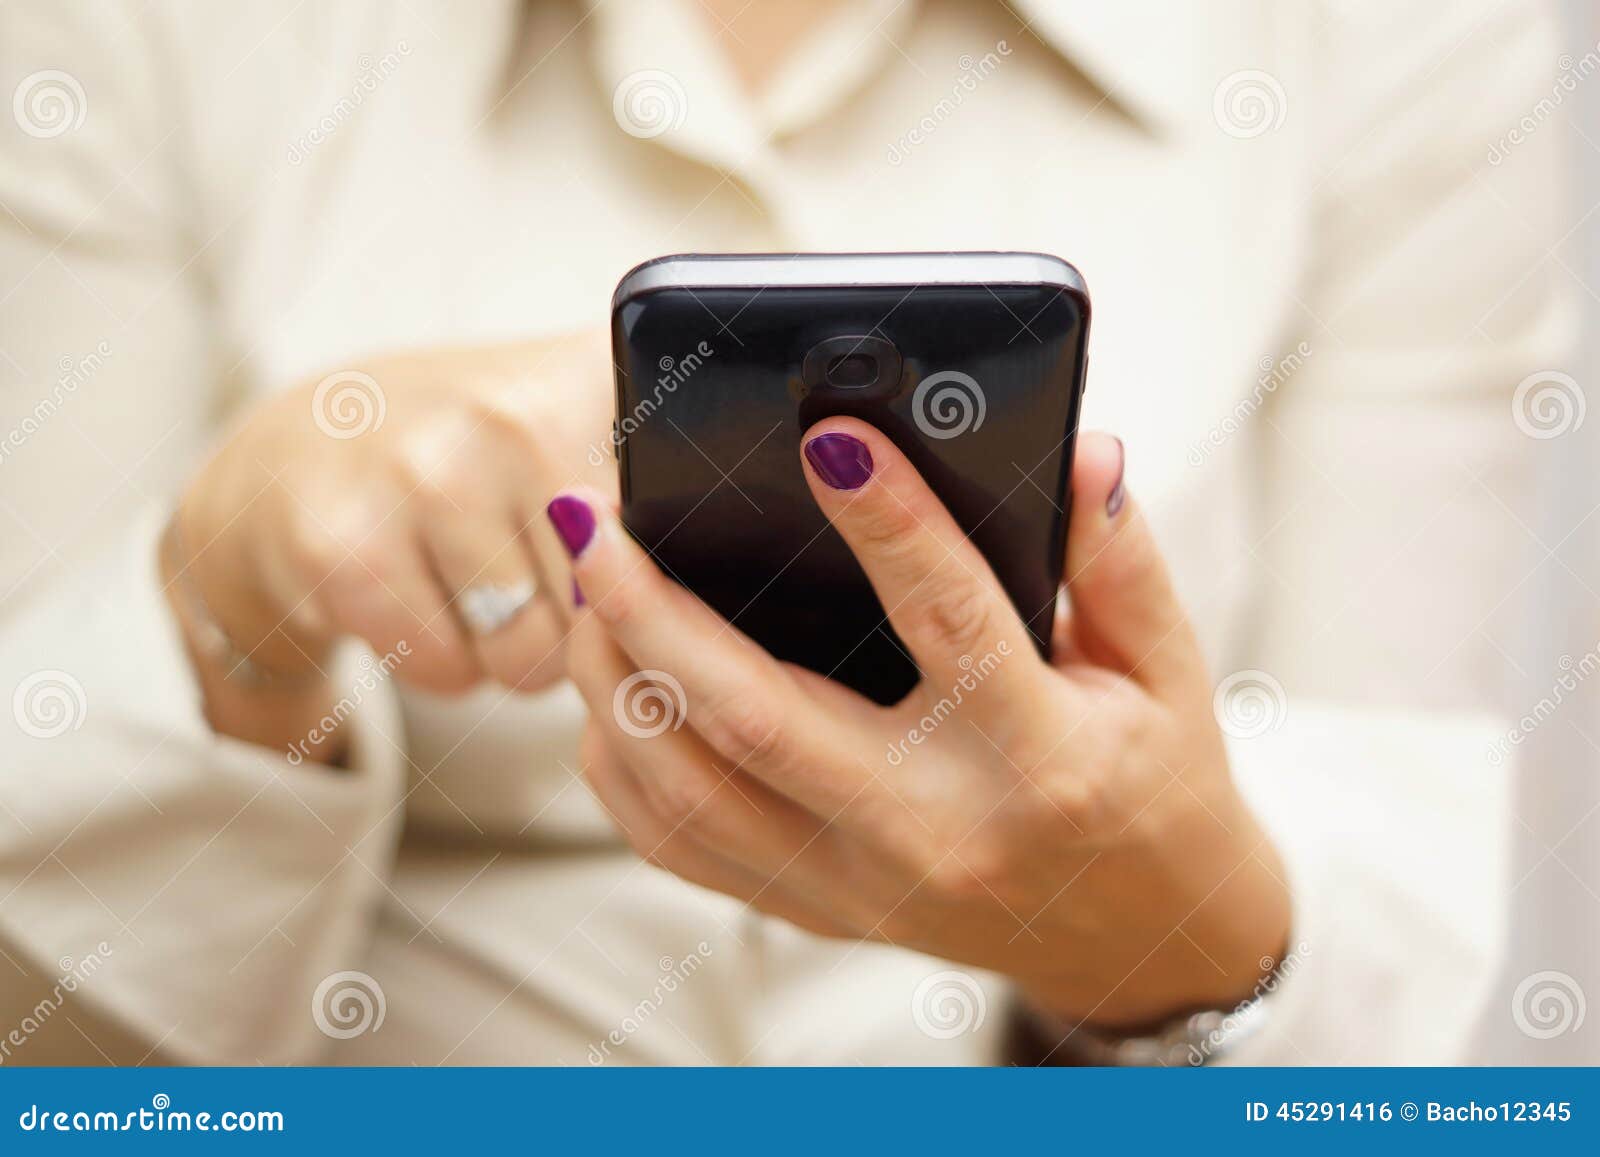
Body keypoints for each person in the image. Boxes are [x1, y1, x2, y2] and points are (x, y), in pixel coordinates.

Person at [0, 0, 1574, 1064]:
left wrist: (1172, 942)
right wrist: (224, 602)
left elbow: (1399, 905)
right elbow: (42, 1041)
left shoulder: (1408, 37)